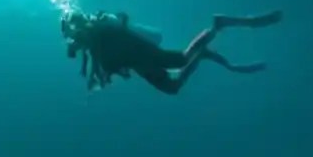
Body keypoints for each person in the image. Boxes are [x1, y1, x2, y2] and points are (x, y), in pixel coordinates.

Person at [60, 9, 282, 94]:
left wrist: (100, 74)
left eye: (72, 36)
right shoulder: (95, 41)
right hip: (141, 62)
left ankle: (217, 25)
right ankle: (205, 49)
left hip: (143, 56)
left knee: (182, 61)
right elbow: (104, 64)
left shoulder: (97, 36)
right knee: (173, 85)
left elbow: (106, 60)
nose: (72, 42)